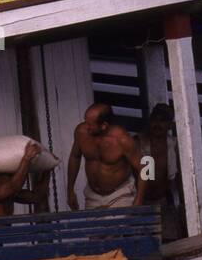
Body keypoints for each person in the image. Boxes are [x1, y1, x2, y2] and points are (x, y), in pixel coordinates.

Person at [67, 103, 145, 210]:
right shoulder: (81, 132)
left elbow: (147, 165)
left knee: (122, 221)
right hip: (92, 196)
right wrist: (70, 190)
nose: (86, 126)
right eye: (85, 121)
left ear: (104, 125)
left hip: (120, 195)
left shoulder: (122, 139)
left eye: (90, 124)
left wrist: (139, 199)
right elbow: (75, 157)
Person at [136, 104, 183, 240]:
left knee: (169, 241)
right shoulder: (138, 142)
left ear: (170, 125)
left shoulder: (174, 145)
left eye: (163, 121)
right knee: (140, 241)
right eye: (154, 120)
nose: (157, 124)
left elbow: (180, 176)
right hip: (139, 200)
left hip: (164, 200)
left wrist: (183, 204)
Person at [0, 141, 50, 218]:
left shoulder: (11, 194)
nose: (10, 177)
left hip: (8, 226)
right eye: (5, 175)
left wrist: (48, 170)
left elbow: (37, 196)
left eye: (11, 175)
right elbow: (13, 186)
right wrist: (26, 158)